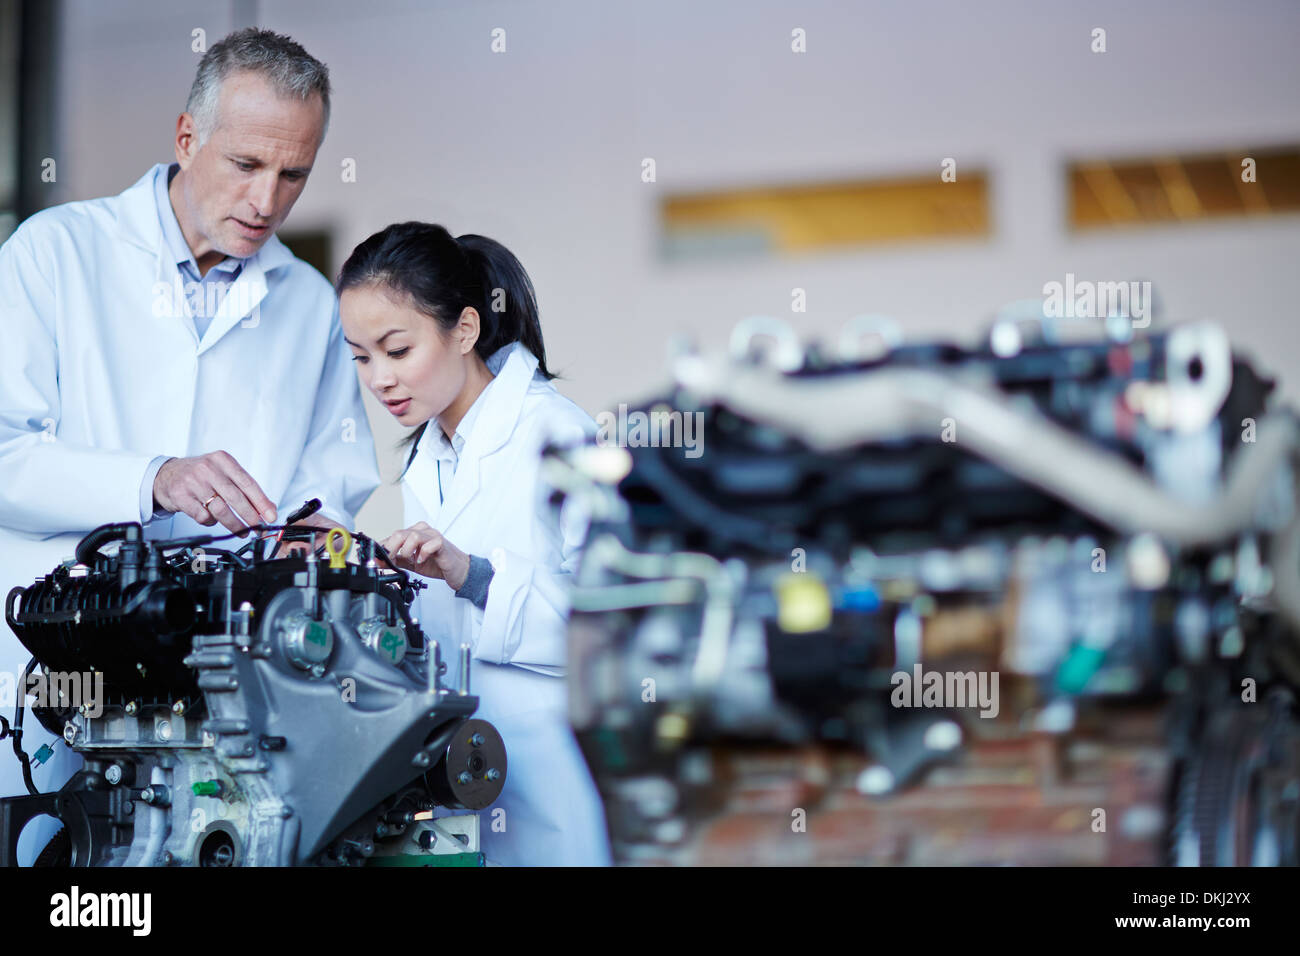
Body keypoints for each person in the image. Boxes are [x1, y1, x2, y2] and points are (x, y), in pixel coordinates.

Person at [0, 29, 379, 863]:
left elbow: (333, 483)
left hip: (228, 693)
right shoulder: (54, 257)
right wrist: (153, 480)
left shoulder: (309, 305)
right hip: (57, 680)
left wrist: (310, 534)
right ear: (186, 138)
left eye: (294, 175)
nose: (268, 200)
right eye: (246, 165)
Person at [337, 221, 611, 866]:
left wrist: (476, 576)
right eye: (361, 356)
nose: (378, 378)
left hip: (552, 772)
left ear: (464, 330)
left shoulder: (557, 436)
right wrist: (357, 565)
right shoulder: (429, 454)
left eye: (396, 350)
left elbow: (618, 626)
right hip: (464, 774)